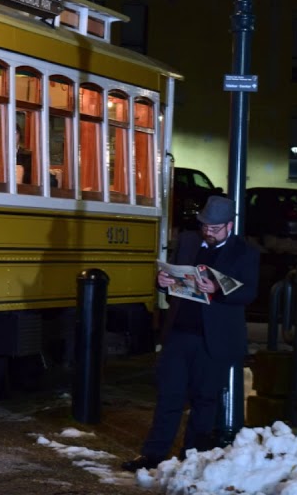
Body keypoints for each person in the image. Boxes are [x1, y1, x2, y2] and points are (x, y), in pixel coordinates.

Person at [122, 194, 260, 472]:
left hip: (214, 339)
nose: (208, 232)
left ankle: (192, 456)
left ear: (229, 226)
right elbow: (171, 279)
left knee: (204, 399)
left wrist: (218, 289)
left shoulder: (245, 251)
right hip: (179, 333)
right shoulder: (188, 241)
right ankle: (153, 455)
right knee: (168, 395)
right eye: (205, 227)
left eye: (214, 228)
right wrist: (162, 282)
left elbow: (249, 292)